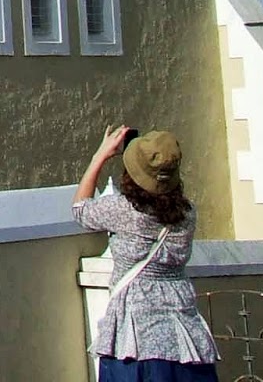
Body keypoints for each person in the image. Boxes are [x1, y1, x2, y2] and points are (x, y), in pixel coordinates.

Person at [74, 125, 220, 381]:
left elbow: (80, 209)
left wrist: (100, 156)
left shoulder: (122, 211)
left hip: (135, 340)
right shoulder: (188, 214)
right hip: (184, 339)